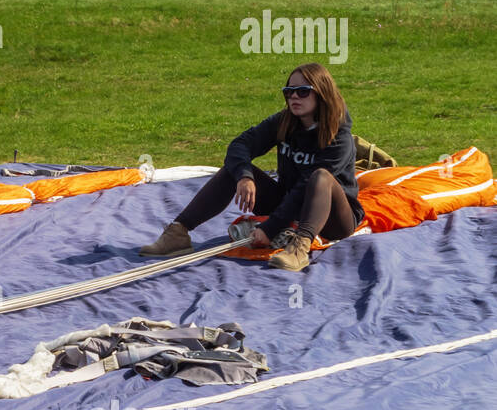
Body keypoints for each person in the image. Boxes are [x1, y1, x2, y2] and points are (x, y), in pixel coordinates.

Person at [139, 63, 364, 271]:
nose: (294, 96)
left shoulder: (338, 134)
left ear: (321, 93)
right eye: (288, 91)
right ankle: (179, 231)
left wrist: (270, 228)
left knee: (320, 177)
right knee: (234, 169)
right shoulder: (285, 121)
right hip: (289, 204)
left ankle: (300, 247)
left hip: (333, 219)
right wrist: (244, 177)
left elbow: (305, 187)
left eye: (303, 91)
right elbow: (241, 144)